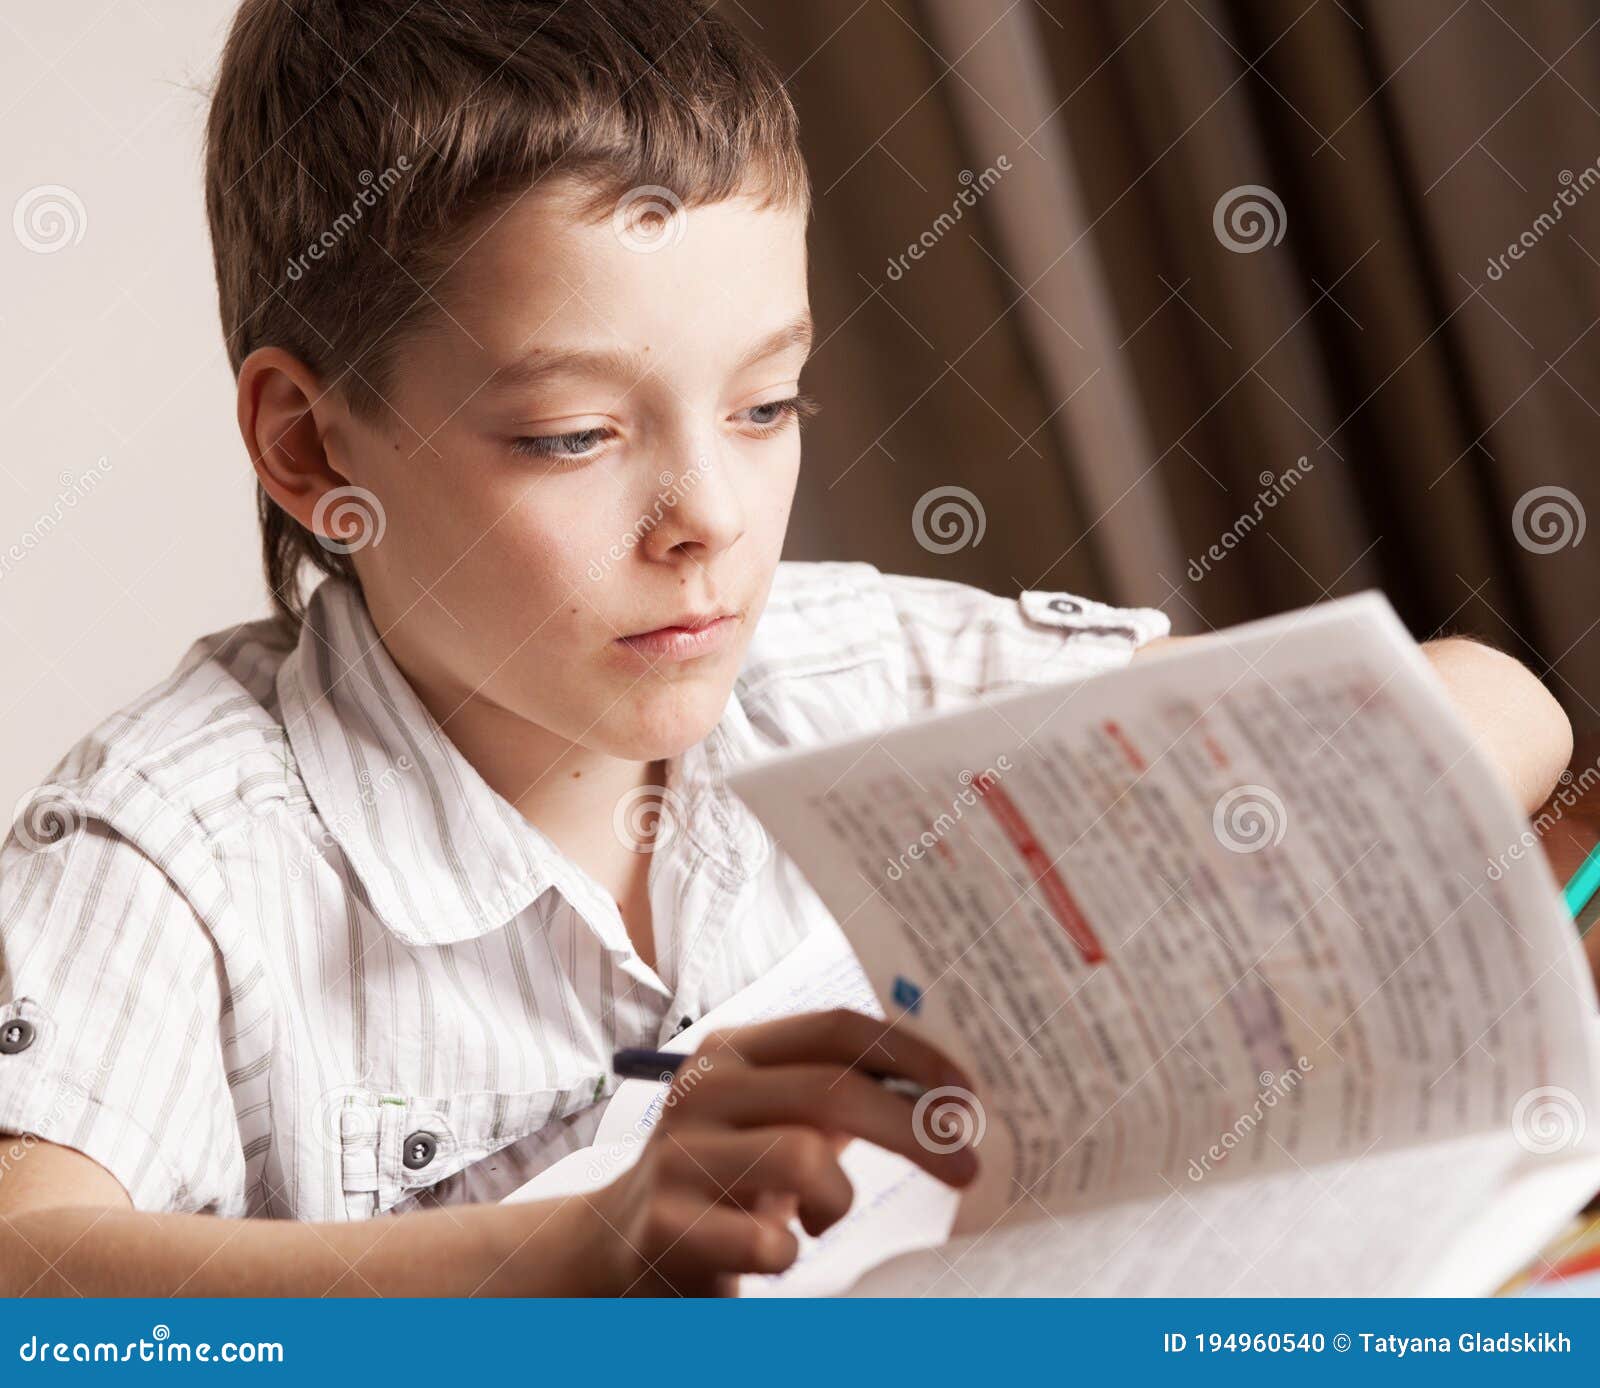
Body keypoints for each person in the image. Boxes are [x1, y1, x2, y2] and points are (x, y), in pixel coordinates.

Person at [0, 0, 1572, 1296]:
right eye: (572, 436)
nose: (709, 519)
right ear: (307, 442)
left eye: (767, 406)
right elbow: (29, 1268)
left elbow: (1500, 709)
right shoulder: (177, 841)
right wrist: (568, 1252)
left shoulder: (858, 674)